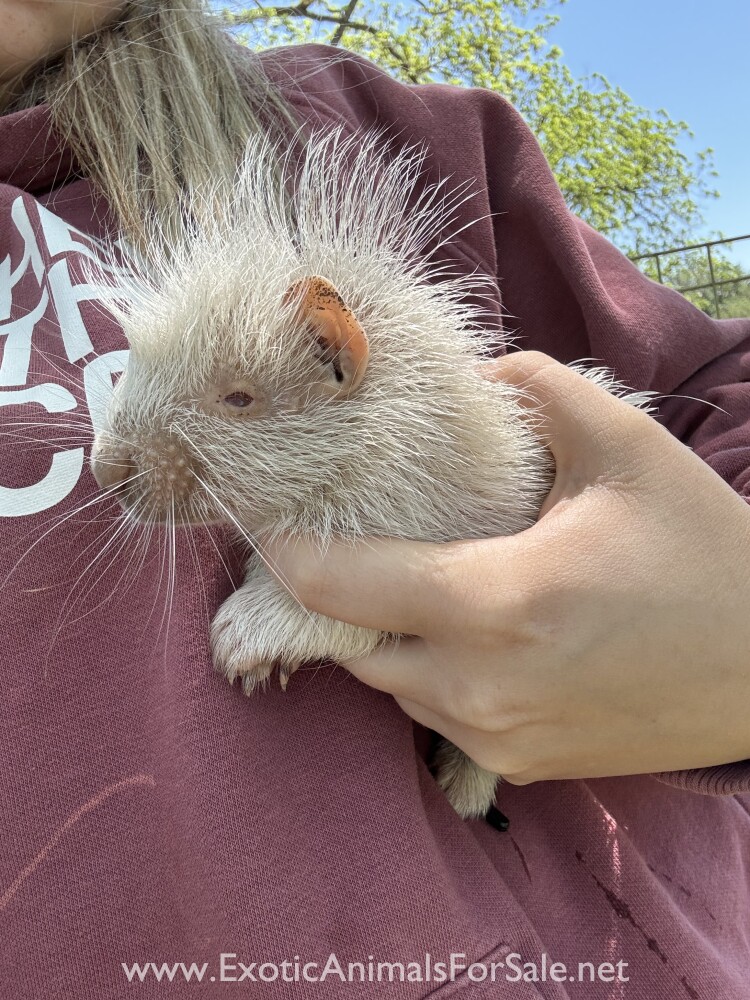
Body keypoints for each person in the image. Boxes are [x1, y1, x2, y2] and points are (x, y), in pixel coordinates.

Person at [1, 2, 748, 997]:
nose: (112, 461)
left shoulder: (382, 127)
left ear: (336, 353)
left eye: (234, 402)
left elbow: (709, 400)